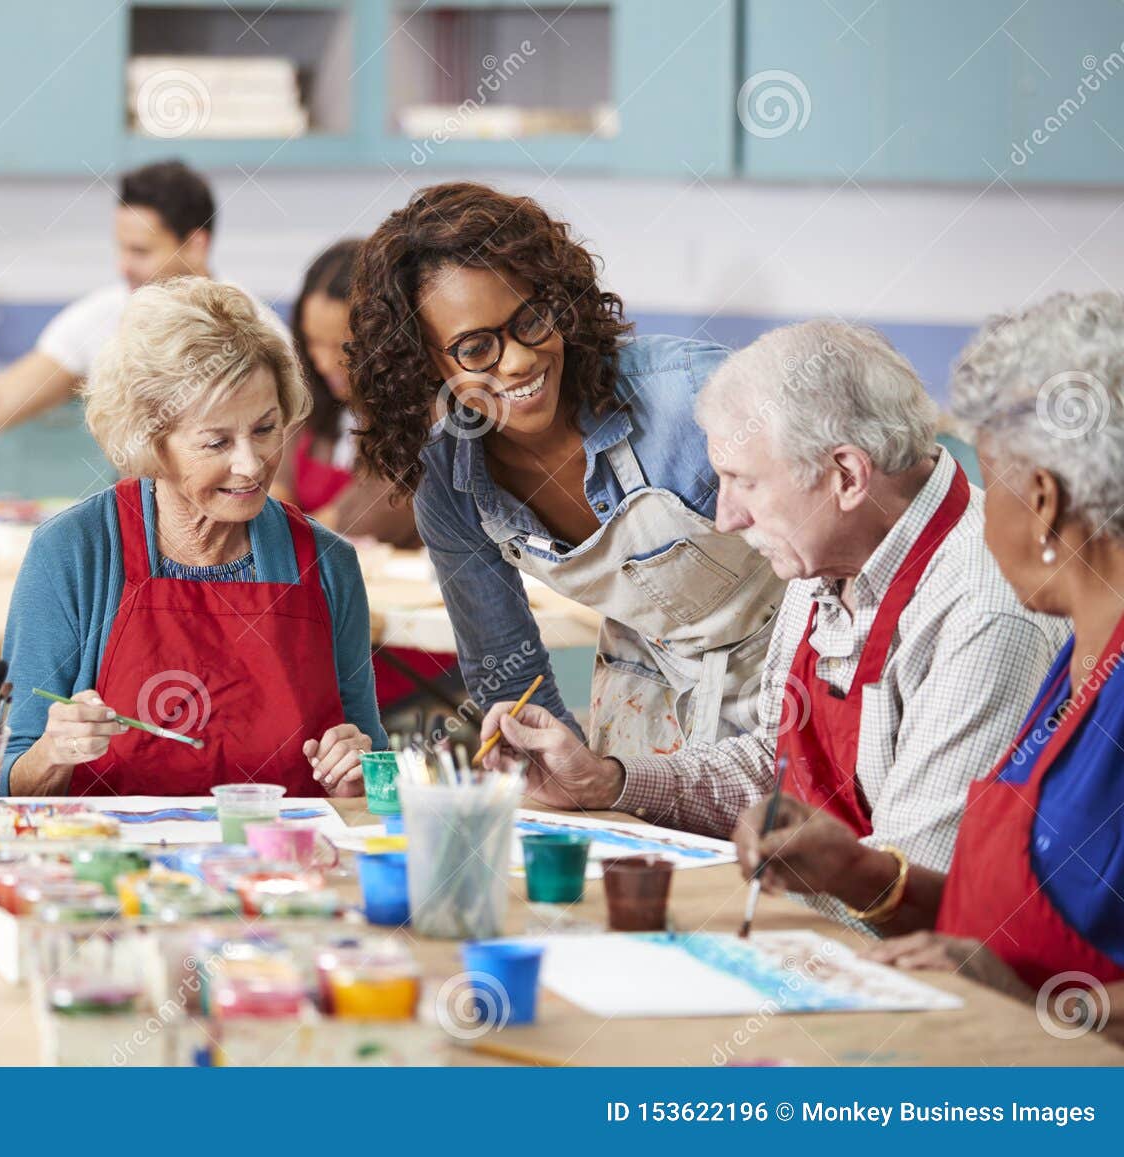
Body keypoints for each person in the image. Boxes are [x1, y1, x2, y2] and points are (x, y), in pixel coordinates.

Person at [479, 320, 1065, 910]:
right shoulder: (830, 555)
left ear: (847, 476)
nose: (727, 517)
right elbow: (772, 767)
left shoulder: (982, 611)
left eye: (742, 483)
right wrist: (607, 779)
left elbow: (916, 892)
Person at [732, 293, 1123, 1033]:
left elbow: (1032, 981)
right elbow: (1005, 919)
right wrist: (864, 872)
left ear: (1041, 499)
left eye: (991, 473)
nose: (982, 504)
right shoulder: (1078, 653)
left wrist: (1051, 1008)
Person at [348, 182, 784, 759]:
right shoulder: (451, 481)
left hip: (797, 670)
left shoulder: (687, 398)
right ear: (423, 360)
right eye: (477, 348)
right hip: (648, 691)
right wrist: (572, 777)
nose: (521, 359)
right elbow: (509, 676)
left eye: (531, 319)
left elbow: (845, 558)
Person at [2, 277, 386, 797]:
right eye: (216, 442)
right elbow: (9, 787)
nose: (250, 465)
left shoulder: (328, 563)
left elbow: (373, 767)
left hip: (281, 869)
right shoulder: (71, 554)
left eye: (266, 429)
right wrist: (53, 754)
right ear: (150, 441)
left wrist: (359, 771)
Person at [0, 160, 281, 457]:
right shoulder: (104, 318)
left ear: (196, 243)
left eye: (141, 250)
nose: (124, 266)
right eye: (121, 248)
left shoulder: (256, 333)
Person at [274, 238, 458, 709]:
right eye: (312, 342)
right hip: (319, 645)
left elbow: (358, 523)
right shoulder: (307, 409)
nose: (323, 360)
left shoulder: (427, 420)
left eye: (343, 347)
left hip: (408, 665)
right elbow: (270, 500)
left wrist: (297, 521)